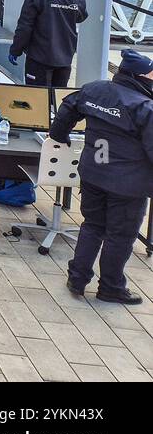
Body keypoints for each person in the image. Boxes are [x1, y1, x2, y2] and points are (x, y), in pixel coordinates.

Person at [49, 49, 153, 305]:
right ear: (140, 76)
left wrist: (59, 135)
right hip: (127, 184)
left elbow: (67, 108)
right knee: (120, 235)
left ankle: (77, 277)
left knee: (93, 225)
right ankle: (111, 287)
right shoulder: (144, 107)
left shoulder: (94, 90)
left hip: (93, 173)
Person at [9, 0, 88, 87]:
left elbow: (24, 28)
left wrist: (15, 50)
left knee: (37, 97)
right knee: (57, 97)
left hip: (39, 58)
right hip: (65, 58)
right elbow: (81, 17)